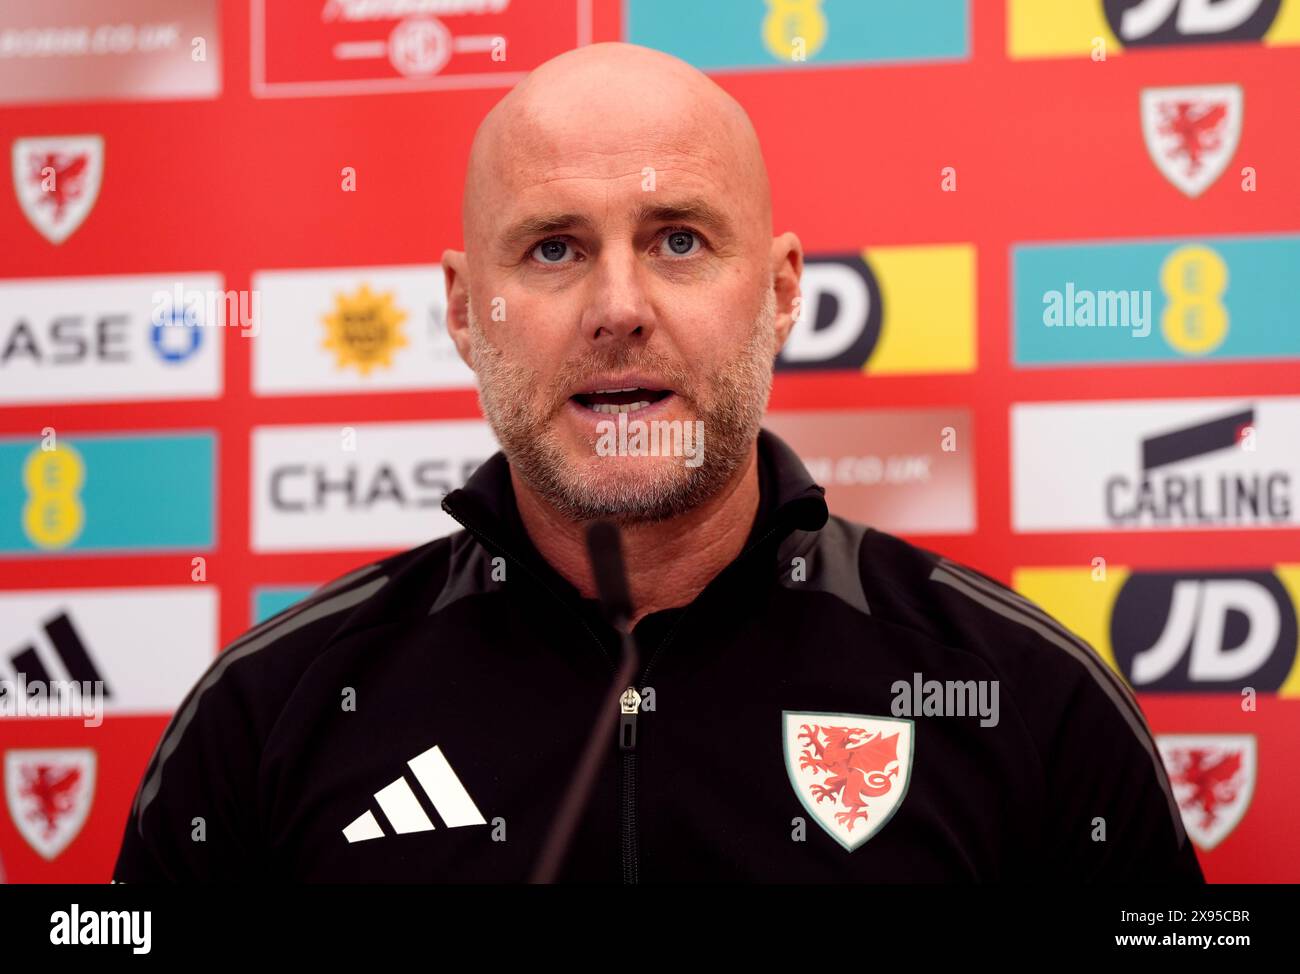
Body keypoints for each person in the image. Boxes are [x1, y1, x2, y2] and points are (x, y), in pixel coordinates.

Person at [113, 42, 1202, 882]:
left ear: (779, 293)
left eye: (679, 239)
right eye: (554, 248)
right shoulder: (267, 715)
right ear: (462, 309)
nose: (619, 309)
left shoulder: (1031, 700)